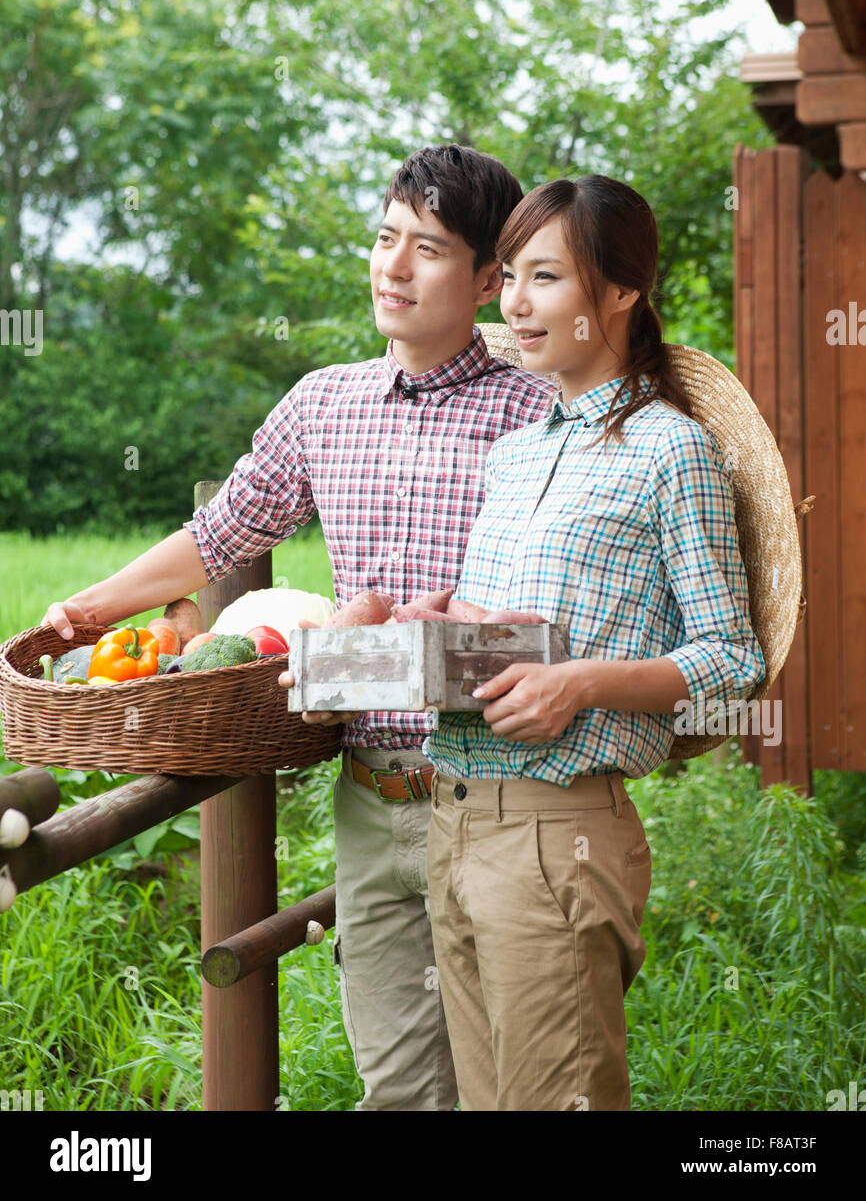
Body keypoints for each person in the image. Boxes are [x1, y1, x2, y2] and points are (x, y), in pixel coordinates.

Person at [40, 145, 557, 1112]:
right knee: (400, 1089)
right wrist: (91, 611)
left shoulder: (541, 415)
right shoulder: (325, 404)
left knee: (517, 1088)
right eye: (384, 238)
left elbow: (549, 636)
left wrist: (350, 659)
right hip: (370, 799)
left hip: (500, 796)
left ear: (490, 277)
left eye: (429, 248)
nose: (393, 267)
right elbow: (218, 533)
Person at [420, 175, 766, 1111]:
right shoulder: (519, 451)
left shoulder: (671, 451)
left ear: (619, 292)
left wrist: (579, 685)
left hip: (555, 835)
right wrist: (434, 632)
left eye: (546, 277)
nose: (516, 304)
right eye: (509, 278)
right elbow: (505, 648)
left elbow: (732, 660)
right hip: (452, 821)